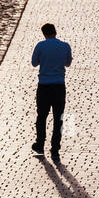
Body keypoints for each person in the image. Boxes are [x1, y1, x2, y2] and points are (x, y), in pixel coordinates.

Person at [31, 22, 72, 161]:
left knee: (41, 116)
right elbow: (68, 63)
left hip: (44, 86)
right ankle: (55, 149)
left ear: (44, 34)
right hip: (59, 86)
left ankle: (40, 144)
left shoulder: (40, 46)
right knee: (58, 118)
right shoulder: (65, 46)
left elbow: (34, 63)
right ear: (55, 32)